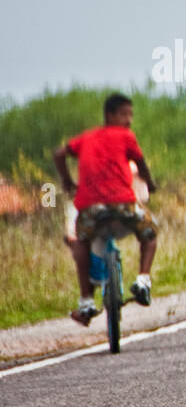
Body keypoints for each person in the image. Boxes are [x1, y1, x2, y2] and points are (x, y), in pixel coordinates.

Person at [53, 93, 160, 325]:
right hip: (122, 204)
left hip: (91, 207)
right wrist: (150, 183)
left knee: (82, 240)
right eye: (124, 114)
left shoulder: (87, 138)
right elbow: (140, 163)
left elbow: (59, 153)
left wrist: (67, 182)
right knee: (150, 232)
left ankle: (86, 301)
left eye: (130, 115)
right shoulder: (125, 136)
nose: (129, 120)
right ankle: (142, 281)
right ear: (109, 115)